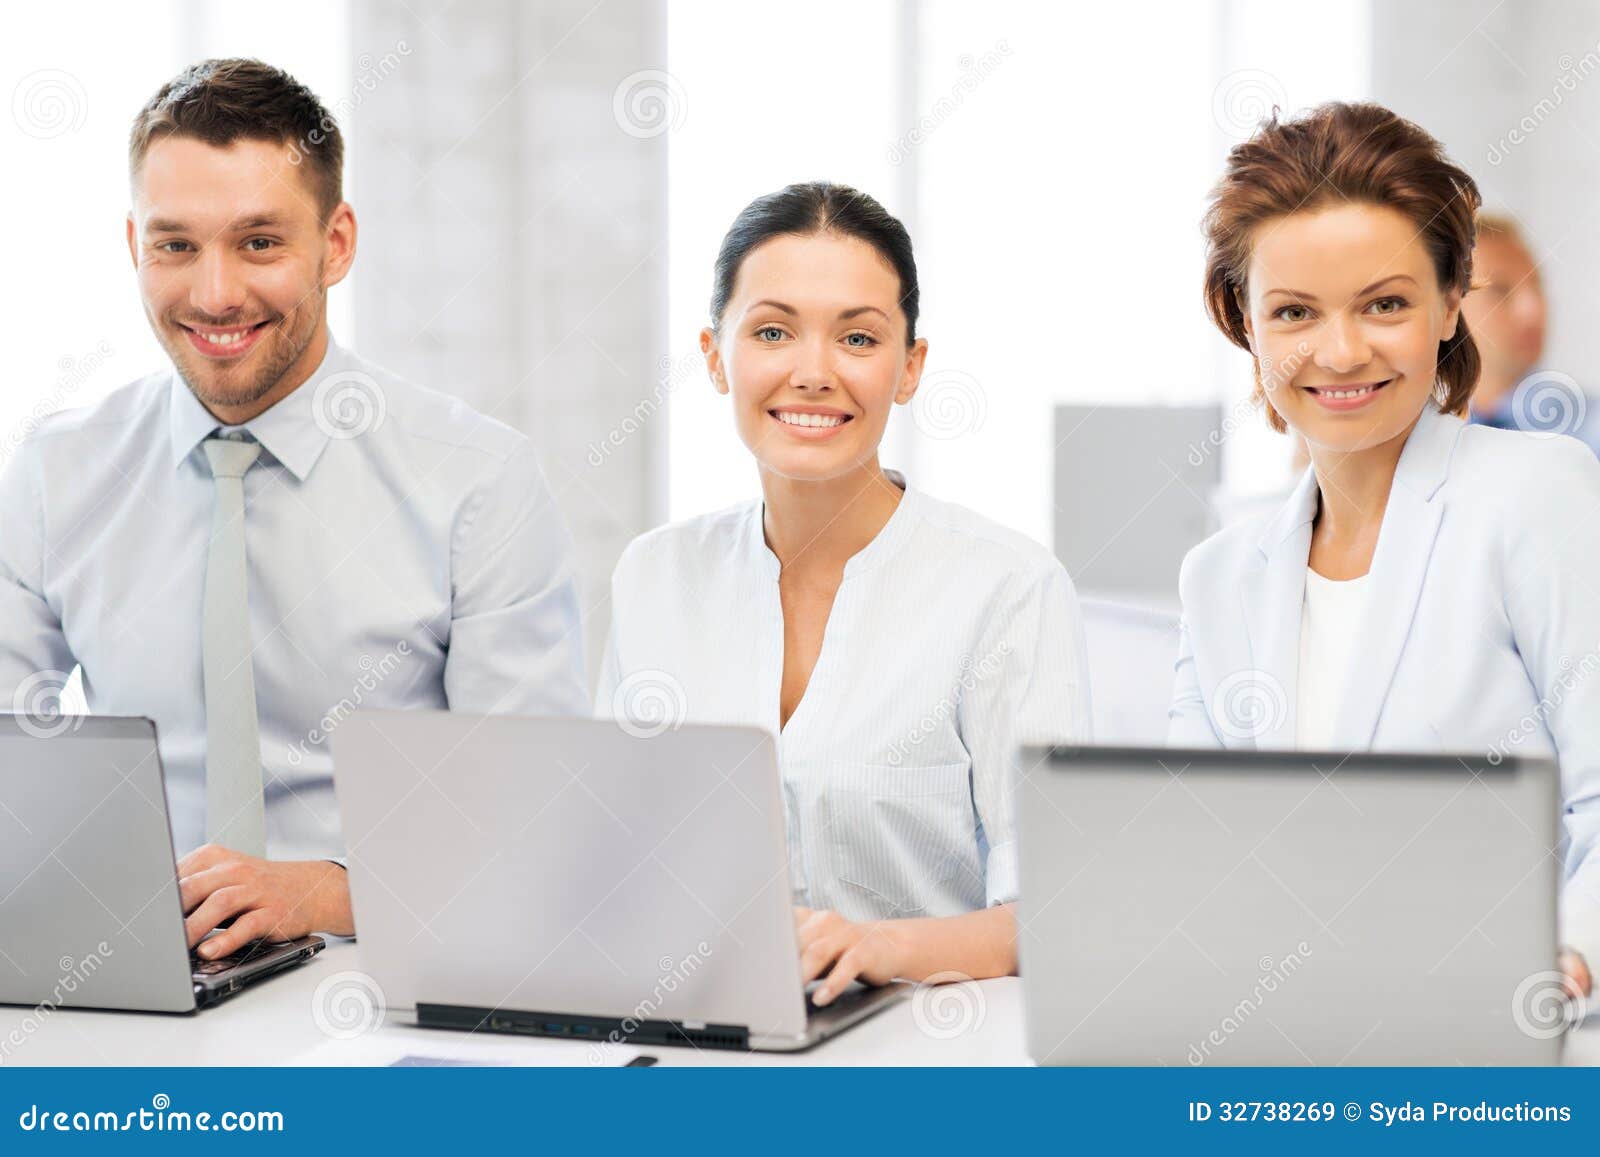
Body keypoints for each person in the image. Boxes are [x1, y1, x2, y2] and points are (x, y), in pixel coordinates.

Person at [0, 59, 587, 960]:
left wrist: (325, 890)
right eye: (175, 245)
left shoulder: (477, 481)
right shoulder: (57, 472)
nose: (215, 293)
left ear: (337, 243)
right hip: (134, 984)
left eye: (259, 242)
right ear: (134, 246)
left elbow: (535, 824)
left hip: (391, 976)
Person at [596, 182, 1090, 1002]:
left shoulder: (1008, 589)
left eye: (858, 337)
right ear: (716, 357)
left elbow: (1053, 911)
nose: (813, 372)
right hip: (698, 1034)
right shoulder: (654, 575)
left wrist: (876, 945)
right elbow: (616, 859)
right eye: (772, 331)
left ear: (910, 367)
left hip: (925, 1047)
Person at [1169, 101, 1599, 1000]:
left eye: (1385, 304)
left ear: (1450, 304)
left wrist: (1565, 960)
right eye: (1293, 311)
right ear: (1244, 325)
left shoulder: (1537, 492)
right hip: (1286, 1029)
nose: (1341, 350)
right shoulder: (1218, 578)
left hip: (1505, 1032)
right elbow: (1194, 845)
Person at [1461, 213, 1600, 455]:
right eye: (1500, 289)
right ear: (1448, 309)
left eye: (1536, 285)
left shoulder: (1590, 432)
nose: (1533, 309)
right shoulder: (1407, 439)